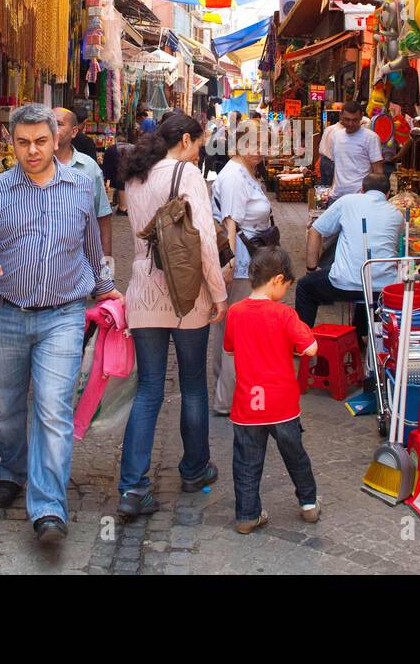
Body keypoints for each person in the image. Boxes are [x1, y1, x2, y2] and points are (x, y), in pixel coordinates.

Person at [0, 104, 120, 546]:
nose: (32, 151)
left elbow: (91, 248)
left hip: (63, 317)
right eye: (23, 142)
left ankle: (48, 506)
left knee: (53, 410)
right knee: (8, 409)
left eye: (41, 141)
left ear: (56, 140)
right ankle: (10, 471)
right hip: (7, 314)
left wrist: (106, 287)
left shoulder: (79, 187)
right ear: (13, 143)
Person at [116, 111, 228, 520]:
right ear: (184, 139)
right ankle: (194, 469)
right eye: (198, 144)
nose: (199, 153)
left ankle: (132, 487)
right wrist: (218, 294)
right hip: (187, 294)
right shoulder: (186, 174)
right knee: (194, 385)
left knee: (148, 389)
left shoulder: (136, 176)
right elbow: (204, 246)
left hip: (144, 290)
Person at [224, 247, 321, 534]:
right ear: (278, 280)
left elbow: (229, 349)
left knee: (246, 461)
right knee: (295, 455)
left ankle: (246, 515)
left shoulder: (235, 312)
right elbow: (310, 348)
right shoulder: (285, 314)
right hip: (282, 404)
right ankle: (308, 504)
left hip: (246, 406)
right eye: (287, 286)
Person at [208, 120, 274, 415]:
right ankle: (227, 399)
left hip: (250, 261)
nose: (261, 149)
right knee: (240, 331)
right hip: (243, 264)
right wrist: (230, 263)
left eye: (264, 142)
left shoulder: (247, 171)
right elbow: (229, 222)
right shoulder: (235, 174)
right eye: (255, 142)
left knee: (229, 329)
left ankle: (225, 392)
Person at [296, 173, 403, 330]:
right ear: (388, 194)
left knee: (305, 287)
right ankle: (359, 334)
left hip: (345, 284)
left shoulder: (347, 201)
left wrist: (311, 269)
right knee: (366, 285)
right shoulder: (397, 214)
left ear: (362, 190)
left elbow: (315, 230)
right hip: (382, 289)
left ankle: (302, 342)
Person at [55, 107, 113, 257]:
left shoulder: (89, 167)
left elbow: (103, 217)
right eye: (48, 123)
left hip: (81, 261)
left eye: (58, 124)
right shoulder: (35, 164)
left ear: (74, 131)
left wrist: (106, 268)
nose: (51, 128)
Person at [319, 102, 384, 201]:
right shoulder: (336, 136)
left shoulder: (371, 138)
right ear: (341, 116)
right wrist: (332, 189)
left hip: (360, 198)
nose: (350, 124)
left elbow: (378, 171)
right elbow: (337, 167)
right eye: (347, 119)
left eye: (355, 120)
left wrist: (377, 198)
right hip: (336, 197)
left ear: (361, 117)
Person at [102, 133, 132, 215]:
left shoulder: (111, 149)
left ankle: (120, 206)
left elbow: (106, 166)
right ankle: (123, 206)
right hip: (128, 169)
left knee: (113, 183)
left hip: (116, 169)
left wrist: (106, 177)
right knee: (123, 183)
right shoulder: (132, 147)